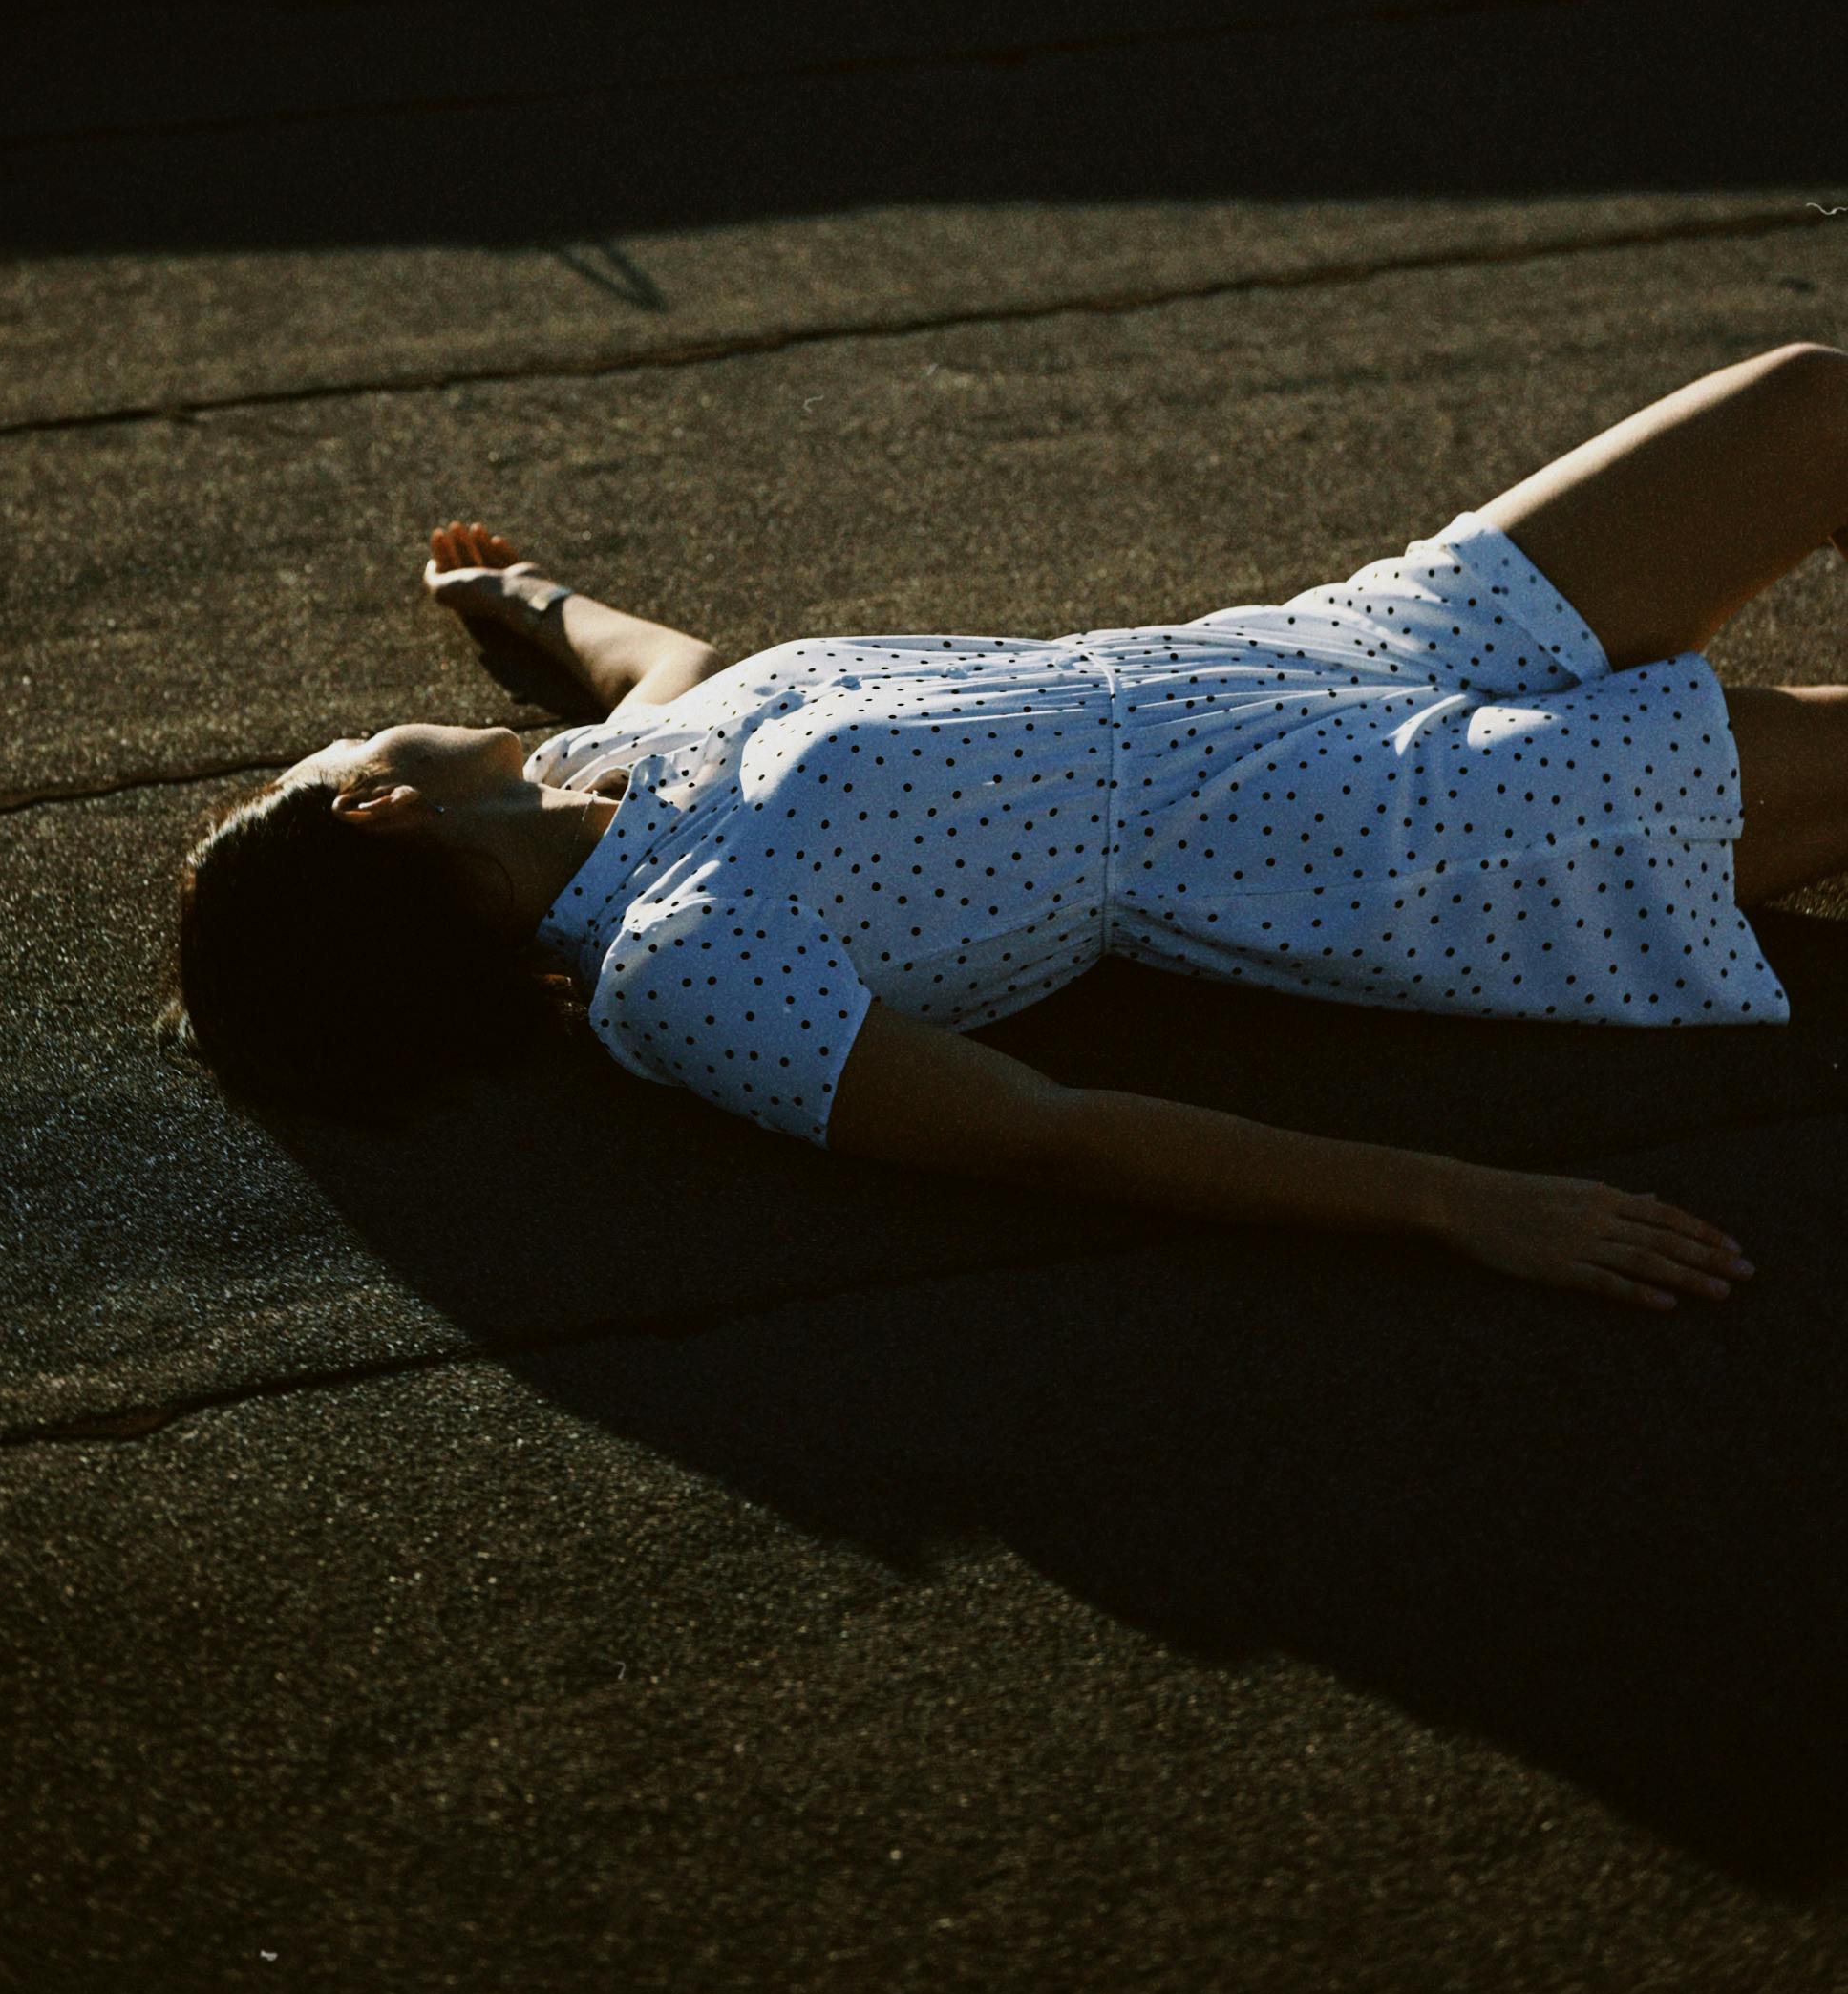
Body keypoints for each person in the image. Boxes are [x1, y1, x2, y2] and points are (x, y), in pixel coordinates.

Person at [173, 340, 1848, 1315]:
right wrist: (1452, 1202)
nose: (345, 733)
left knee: (1809, 400)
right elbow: (1048, 1134)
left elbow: (662, 661)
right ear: (378, 811)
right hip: (1390, 832)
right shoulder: (681, 971)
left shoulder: (612, 763)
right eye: (331, 759)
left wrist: (522, 594)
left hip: (1322, 647)